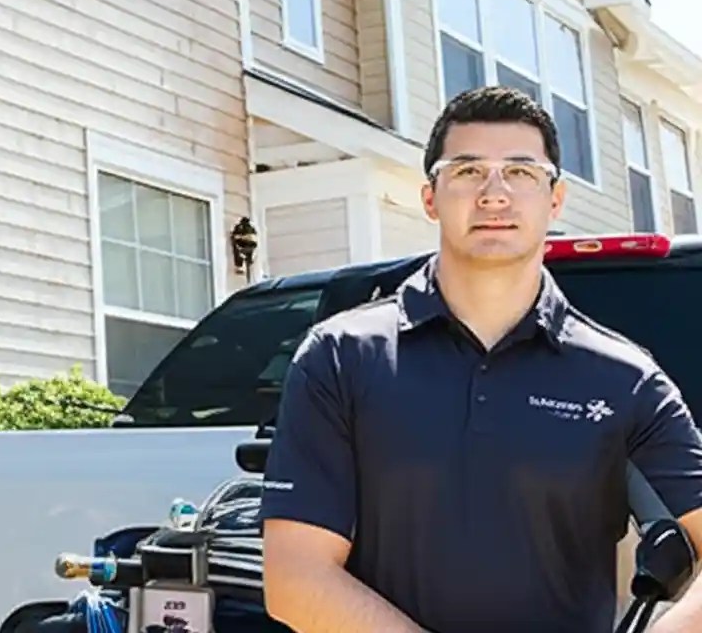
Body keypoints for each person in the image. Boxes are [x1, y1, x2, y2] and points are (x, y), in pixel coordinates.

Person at [258, 85, 702, 633]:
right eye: (467, 172)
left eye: (521, 172)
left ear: (555, 199)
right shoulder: (340, 357)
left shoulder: (626, 377)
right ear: (430, 197)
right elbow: (295, 577)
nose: (494, 194)